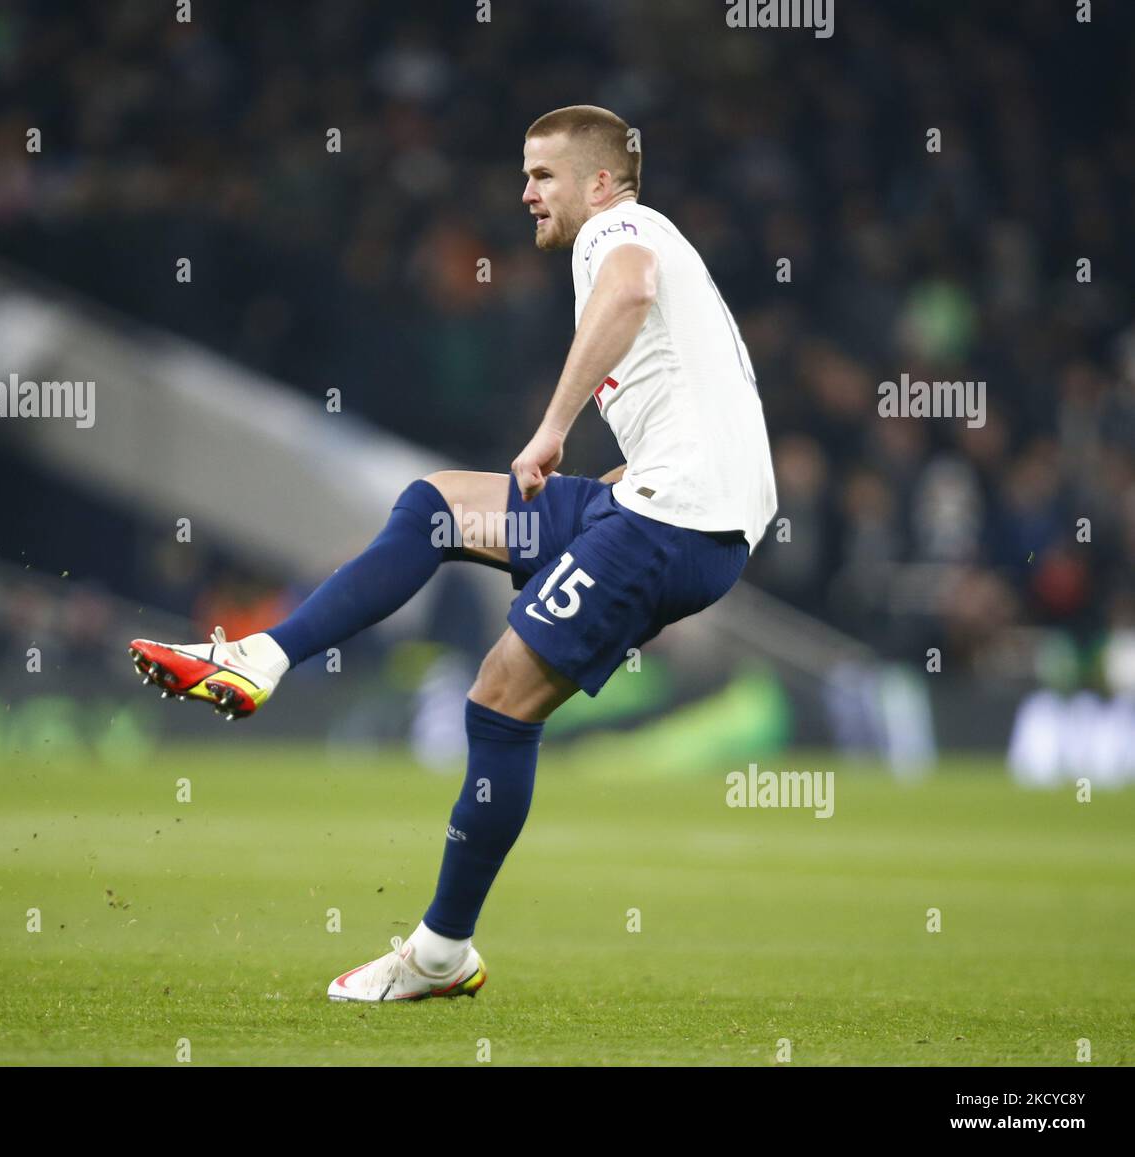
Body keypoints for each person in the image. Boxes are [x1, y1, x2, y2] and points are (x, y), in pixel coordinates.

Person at [128, 105, 778, 1002]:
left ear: (598, 182)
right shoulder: (663, 247)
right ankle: (261, 655)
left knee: (499, 701)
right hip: (666, 510)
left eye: (541, 176)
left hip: (668, 527)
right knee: (437, 506)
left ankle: (439, 953)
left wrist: (553, 429)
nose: (525, 194)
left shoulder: (617, 233)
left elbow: (627, 294)